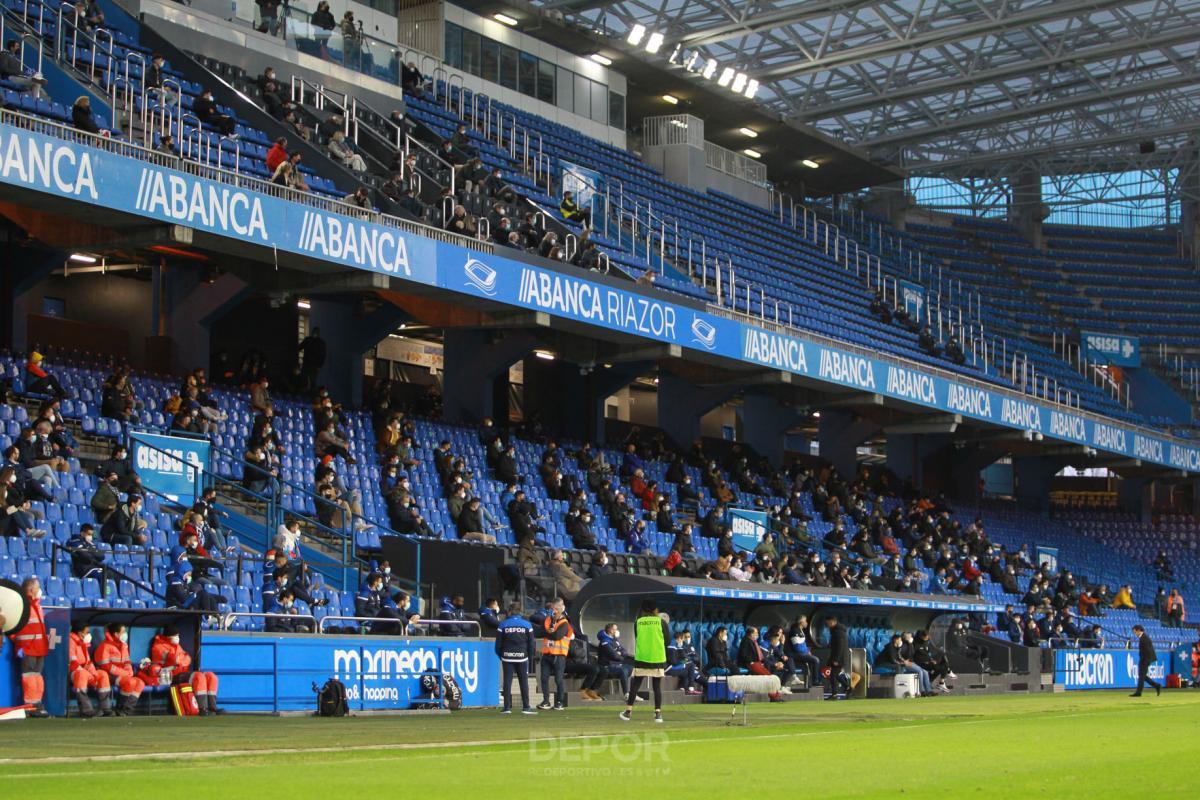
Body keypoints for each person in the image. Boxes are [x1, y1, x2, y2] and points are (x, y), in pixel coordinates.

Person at [149, 626, 222, 714]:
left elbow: (187, 658)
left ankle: (212, 708)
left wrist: (180, 660)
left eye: (178, 635)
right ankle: (202, 708)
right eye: (175, 636)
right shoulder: (159, 646)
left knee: (211, 676)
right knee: (198, 677)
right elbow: (174, 659)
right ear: (168, 637)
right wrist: (180, 660)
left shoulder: (176, 646)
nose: (177, 638)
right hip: (170, 676)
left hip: (182, 673)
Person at [620, 598, 670, 723]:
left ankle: (628, 712)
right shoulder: (661, 622)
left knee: (635, 686)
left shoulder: (638, 622)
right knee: (657, 687)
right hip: (657, 658)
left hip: (642, 657)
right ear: (655, 609)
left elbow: (638, 637)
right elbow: (668, 641)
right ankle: (658, 714)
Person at [8, 577, 50, 716]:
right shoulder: (21, 604)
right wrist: (19, 643)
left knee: (36, 677)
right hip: (27, 648)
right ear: (31, 589)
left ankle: (37, 704)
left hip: (39, 647)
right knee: (30, 678)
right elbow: (12, 625)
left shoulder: (36, 605)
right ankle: (31, 706)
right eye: (38, 587)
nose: (40, 590)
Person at [93, 623, 144, 715]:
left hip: (122, 675)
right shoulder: (105, 646)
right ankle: (119, 708)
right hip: (109, 676)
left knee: (140, 683)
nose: (125, 633)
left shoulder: (123, 646)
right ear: (116, 634)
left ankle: (126, 710)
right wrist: (123, 673)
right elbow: (105, 666)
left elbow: (127, 662)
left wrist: (129, 672)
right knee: (130, 682)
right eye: (123, 631)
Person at [496, 604, 537, 714]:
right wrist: (529, 655)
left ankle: (507, 708)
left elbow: (498, 645)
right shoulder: (527, 625)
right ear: (520, 612)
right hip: (522, 657)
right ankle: (526, 707)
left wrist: (502, 656)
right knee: (524, 681)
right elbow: (531, 643)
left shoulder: (503, 624)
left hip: (507, 656)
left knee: (507, 682)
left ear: (509, 611)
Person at [68, 622, 113, 717]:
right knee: (82, 674)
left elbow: (88, 662)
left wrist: (94, 674)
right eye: (87, 632)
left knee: (102, 674)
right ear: (80, 633)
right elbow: (73, 663)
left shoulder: (83, 642)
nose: (89, 634)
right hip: (72, 672)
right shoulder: (70, 641)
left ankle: (106, 708)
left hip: (84, 671)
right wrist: (87, 673)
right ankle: (86, 710)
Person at [537, 598, 572, 710]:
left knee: (558, 679)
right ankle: (546, 701)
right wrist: (549, 633)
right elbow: (540, 632)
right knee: (543, 678)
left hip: (559, 655)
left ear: (558, 609)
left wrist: (547, 633)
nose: (552, 610)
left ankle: (559, 702)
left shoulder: (565, 623)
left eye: (554, 608)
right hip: (547, 654)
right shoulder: (547, 620)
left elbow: (557, 636)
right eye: (552, 608)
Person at [596, 622, 633, 700]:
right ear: (610, 630)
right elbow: (614, 656)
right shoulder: (604, 642)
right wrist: (620, 655)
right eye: (615, 629)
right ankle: (627, 694)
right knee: (624, 670)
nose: (617, 631)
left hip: (617, 665)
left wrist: (620, 654)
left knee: (633, 669)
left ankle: (633, 693)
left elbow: (624, 651)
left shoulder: (615, 640)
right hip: (607, 666)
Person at [666, 629, 704, 694]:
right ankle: (690, 687)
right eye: (683, 639)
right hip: (669, 668)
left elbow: (681, 657)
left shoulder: (675, 644)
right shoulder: (672, 645)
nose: (683, 641)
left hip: (672, 666)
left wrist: (681, 649)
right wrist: (683, 662)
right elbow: (673, 661)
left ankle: (683, 687)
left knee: (687, 671)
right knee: (691, 665)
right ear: (679, 638)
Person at [824, 616, 852, 698]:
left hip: (839, 658)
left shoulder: (838, 632)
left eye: (828, 623)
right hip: (839, 657)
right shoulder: (836, 631)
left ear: (833, 621)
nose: (827, 625)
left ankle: (835, 693)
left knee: (833, 675)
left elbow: (840, 647)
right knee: (835, 675)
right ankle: (847, 687)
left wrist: (836, 659)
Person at [1130, 624, 1161, 697]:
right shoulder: (1143, 637)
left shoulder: (1144, 638)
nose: (1135, 634)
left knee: (1141, 676)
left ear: (1139, 630)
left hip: (1145, 660)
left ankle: (1139, 692)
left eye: (1135, 632)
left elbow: (1148, 650)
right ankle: (1156, 685)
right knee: (1142, 676)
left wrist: (1145, 661)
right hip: (1144, 659)